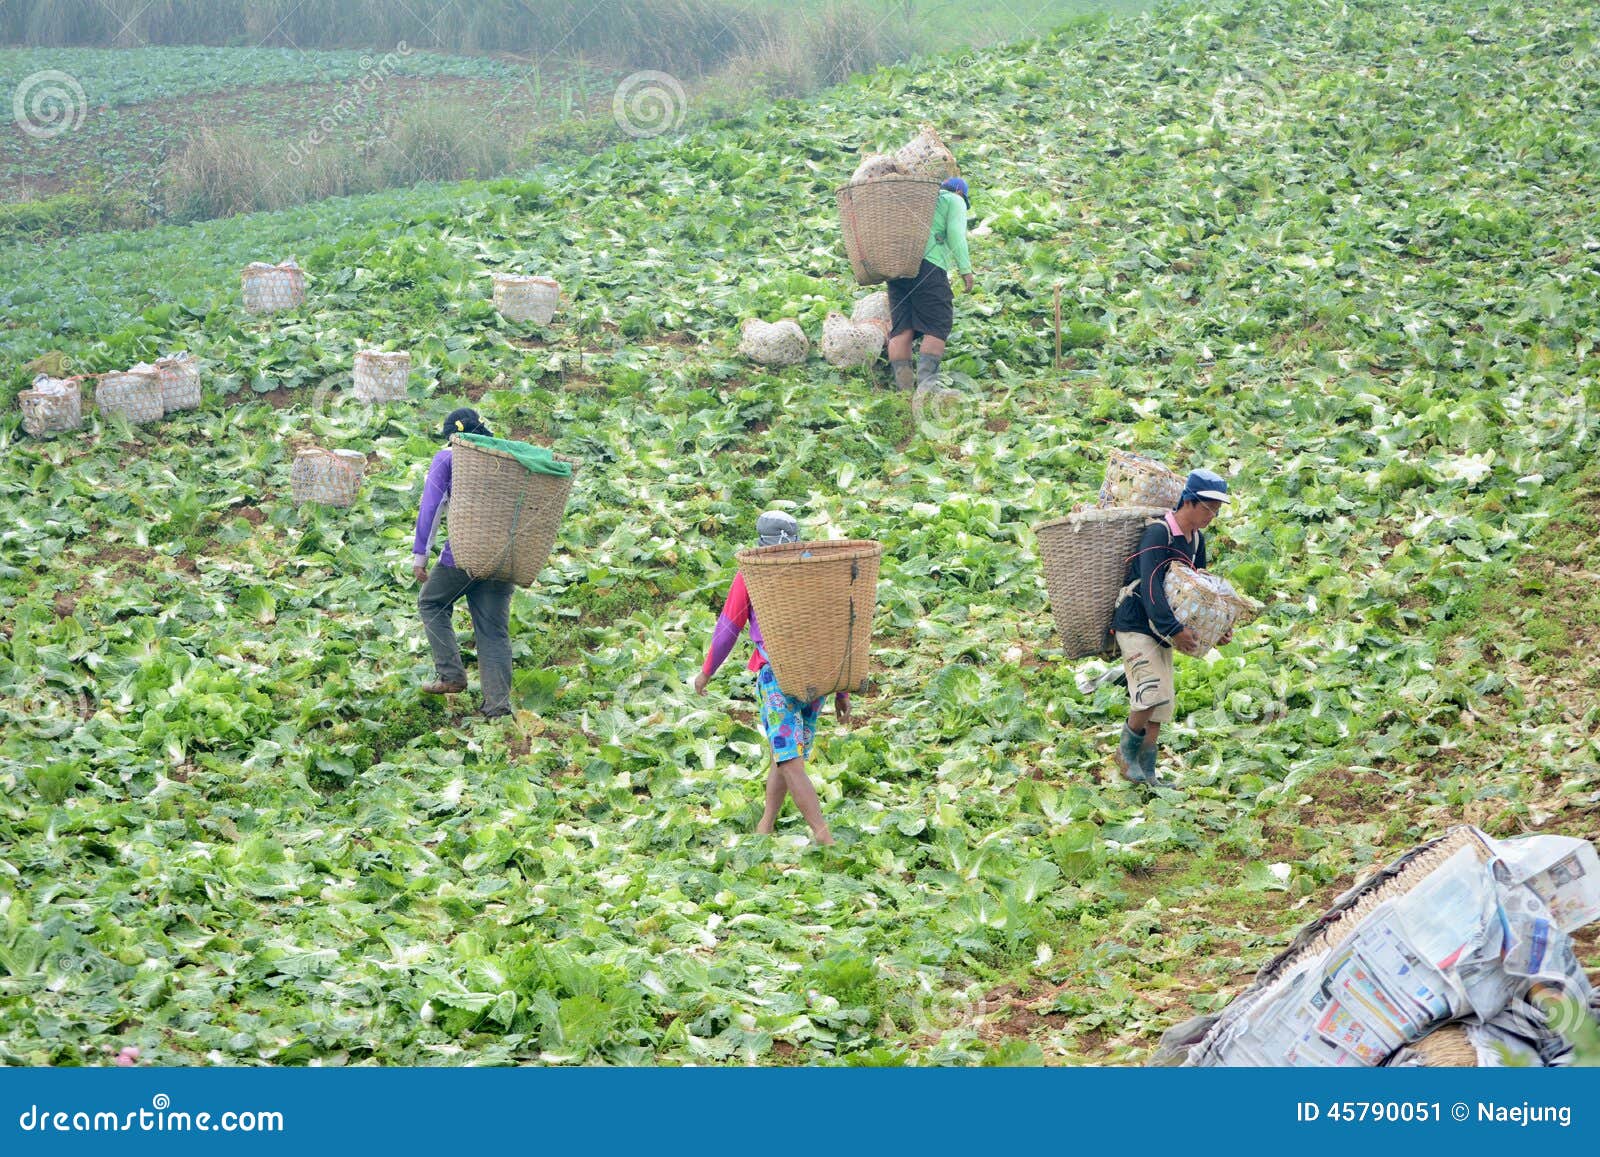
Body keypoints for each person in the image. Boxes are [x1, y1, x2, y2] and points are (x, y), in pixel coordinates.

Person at [692, 512, 850, 845]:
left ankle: (825, 838)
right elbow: (838, 628)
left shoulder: (752, 573)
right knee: (785, 753)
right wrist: (841, 689)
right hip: (816, 676)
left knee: (790, 760)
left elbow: (728, 629)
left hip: (778, 676)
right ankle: (766, 825)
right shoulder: (814, 571)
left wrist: (706, 672)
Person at [1110, 469, 1234, 785]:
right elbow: (1151, 585)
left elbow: (1199, 590)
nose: (1212, 515)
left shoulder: (1197, 540)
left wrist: (1215, 629)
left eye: (1216, 510)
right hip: (1137, 622)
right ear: (1189, 501)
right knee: (1149, 692)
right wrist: (1174, 628)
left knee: (1162, 702)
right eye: (1209, 508)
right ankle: (1125, 755)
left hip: (1163, 629)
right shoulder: (1159, 533)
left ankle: (1147, 768)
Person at [413, 407, 516, 719]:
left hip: (464, 555)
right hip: (505, 557)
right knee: (493, 630)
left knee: (431, 602)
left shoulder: (448, 458)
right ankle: (498, 709)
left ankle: (451, 675)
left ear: (452, 436)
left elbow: (431, 506)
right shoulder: (507, 459)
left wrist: (421, 555)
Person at [886, 175, 974, 391]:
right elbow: (955, 234)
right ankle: (926, 390)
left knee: (902, 328)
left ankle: (904, 392)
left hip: (897, 266)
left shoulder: (917, 200)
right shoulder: (954, 200)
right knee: (938, 323)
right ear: (960, 192)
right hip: (929, 266)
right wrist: (965, 270)